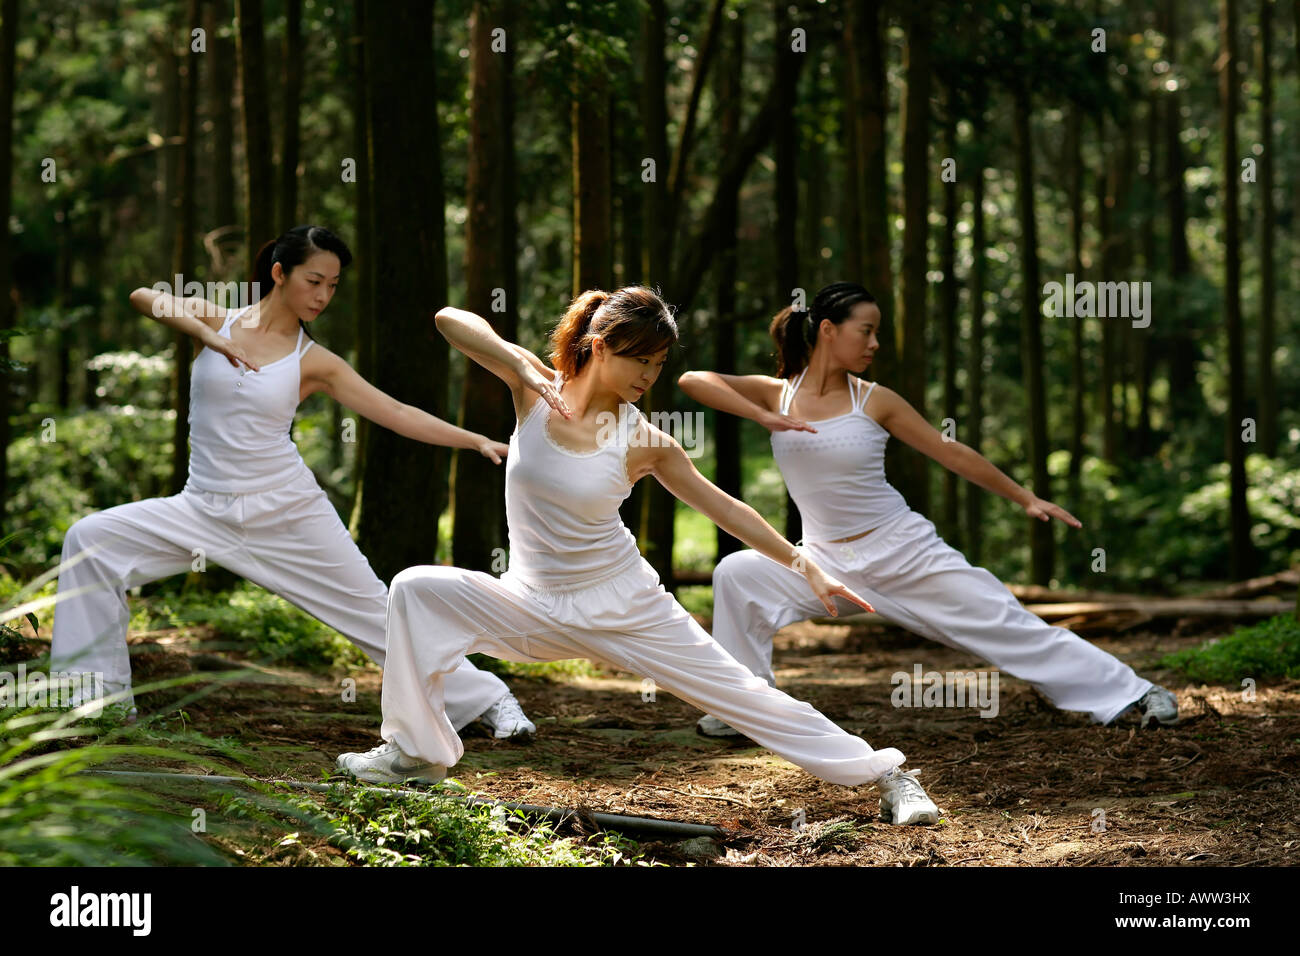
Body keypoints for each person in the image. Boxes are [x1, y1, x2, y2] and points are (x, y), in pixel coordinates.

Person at [336, 286, 941, 826]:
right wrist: (522, 364)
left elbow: (727, 509)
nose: (648, 376)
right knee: (414, 588)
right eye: (639, 359)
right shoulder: (533, 393)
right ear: (599, 346)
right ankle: (415, 754)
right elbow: (447, 317)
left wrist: (807, 566)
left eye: (657, 364)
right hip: (530, 600)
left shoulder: (645, 441)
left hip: (627, 604)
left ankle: (888, 776)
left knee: (745, 695)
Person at [51, 225, 534, 739]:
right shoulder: (221, 318)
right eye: (314, 281)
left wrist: (473, 440)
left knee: (373, 613)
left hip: (287, 512)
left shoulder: (314, 360)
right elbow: (143, 297)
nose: (323, 295)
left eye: (333, 285)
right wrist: (205, 333)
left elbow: (394, 411)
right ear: (279, 274)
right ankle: (95, 701)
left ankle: (490, 699)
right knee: (90, 542)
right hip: (202, 509)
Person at [676, 281, 1178, 738]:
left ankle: (1132, 692)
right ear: (827, 330)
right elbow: (693, 380)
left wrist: (1024, 496)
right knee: (739, 573)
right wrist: (764, 413)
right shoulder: (777, 391)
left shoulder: (876, 400)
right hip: (826, 562)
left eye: (877, 333)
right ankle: (742, 707)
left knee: (1005, 622)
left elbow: (949, 450)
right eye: (866, 331)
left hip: (903, 549)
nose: (874, 344)